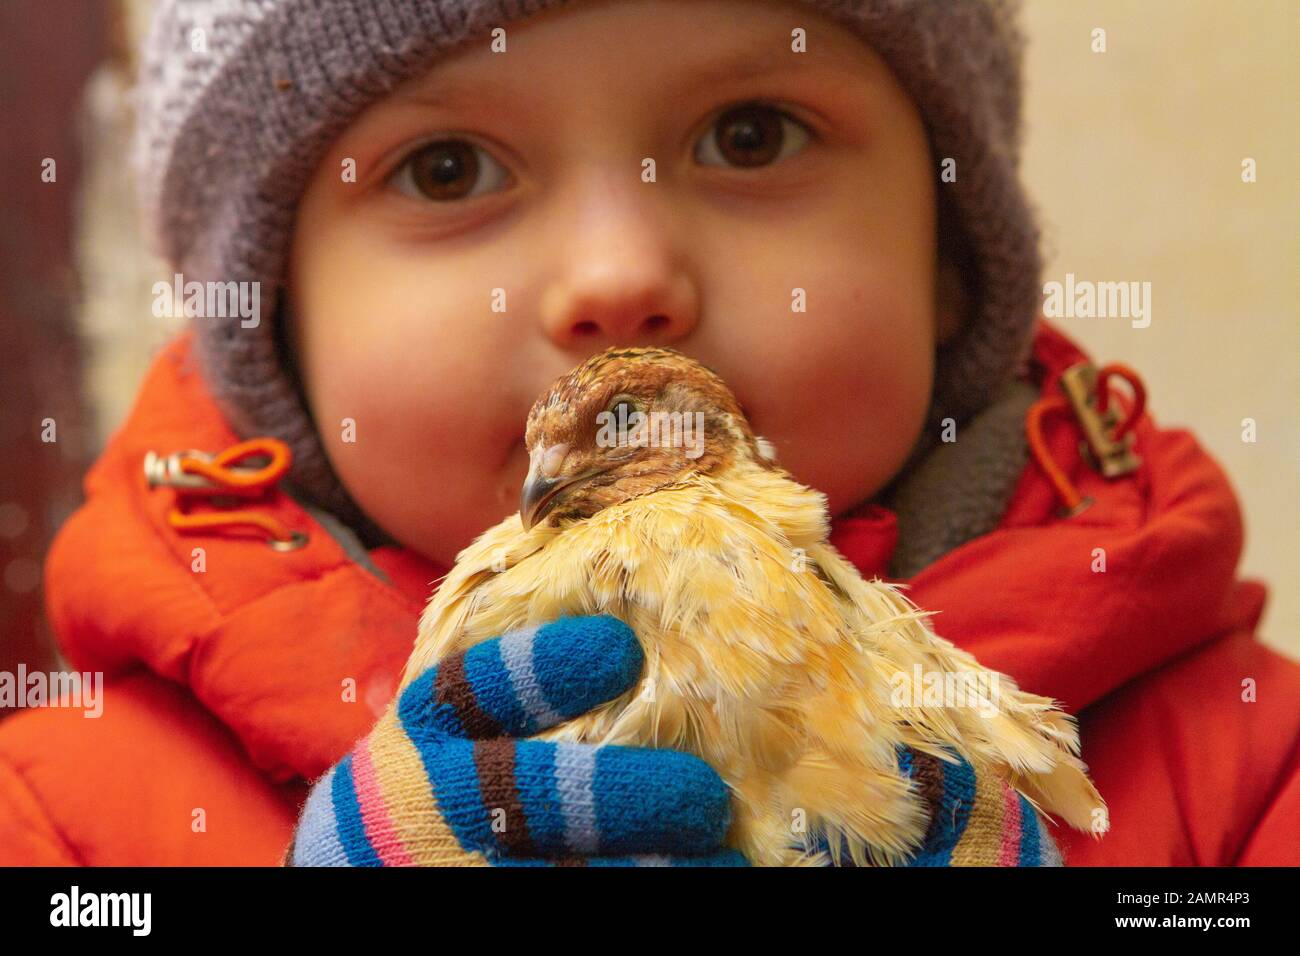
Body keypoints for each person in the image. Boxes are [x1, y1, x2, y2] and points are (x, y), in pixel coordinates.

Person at [0, 0, 1294, 866]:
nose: (621, 277)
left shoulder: (1238, 777)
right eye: (449, 169)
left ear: (948, 263)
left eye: (750, 135)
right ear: (276, 325)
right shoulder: (67, 821)